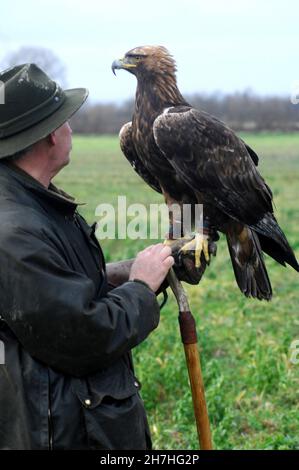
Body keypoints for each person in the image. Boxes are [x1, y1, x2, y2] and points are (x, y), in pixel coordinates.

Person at [0, 64, 213, 450]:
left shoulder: (31, 200)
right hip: (62, 431)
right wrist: (139, 288)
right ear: (50, 134)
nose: (71, 128)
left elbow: (55, 289)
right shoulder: (15, 228)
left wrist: (135, 269)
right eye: (66, 119)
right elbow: (81, 335)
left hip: (65, 418)